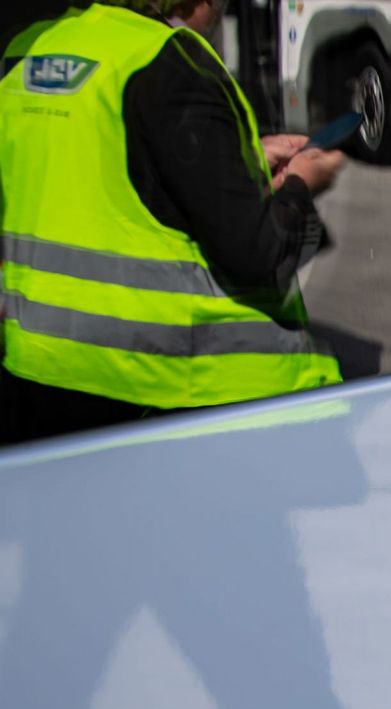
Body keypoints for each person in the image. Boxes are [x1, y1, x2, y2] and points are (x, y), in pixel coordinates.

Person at [0, 0, 345, 446]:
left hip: (41, 374)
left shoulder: (27, 53)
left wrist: (244, 158)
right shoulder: (169, 60)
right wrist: (301, 184)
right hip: (181, 391)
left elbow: (90, 170)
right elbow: (259, 253)